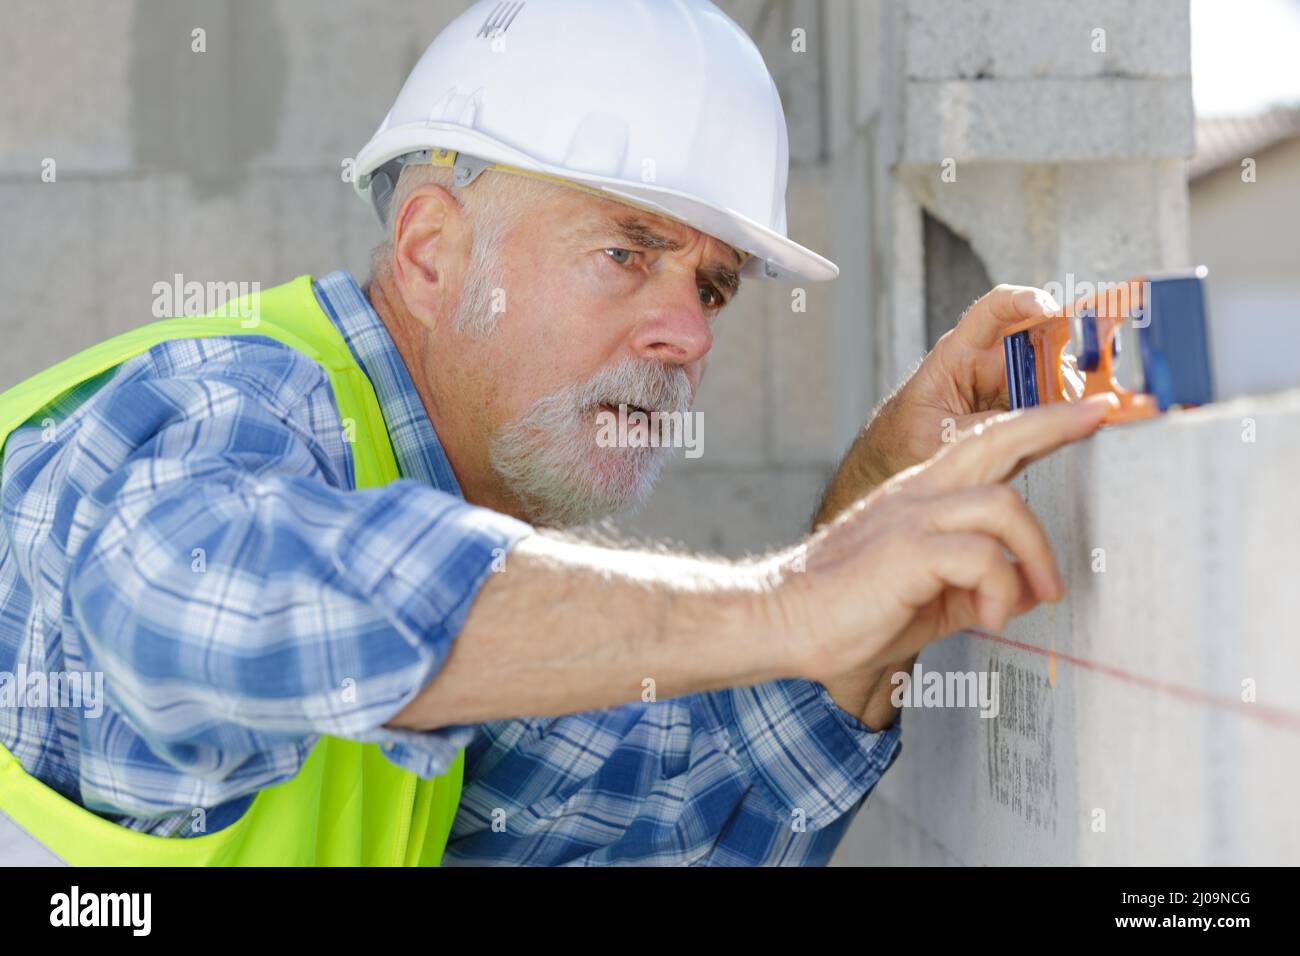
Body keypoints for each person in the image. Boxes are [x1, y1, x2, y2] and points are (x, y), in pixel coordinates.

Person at [0, 0, 1109, 866]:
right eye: (627, 252)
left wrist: (875, 502)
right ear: (433, 252)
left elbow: (697, 812)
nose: (685, 332)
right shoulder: (234, 398)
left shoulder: (467, 596)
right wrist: (795, 596)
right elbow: (179, 601)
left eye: (712, 289)